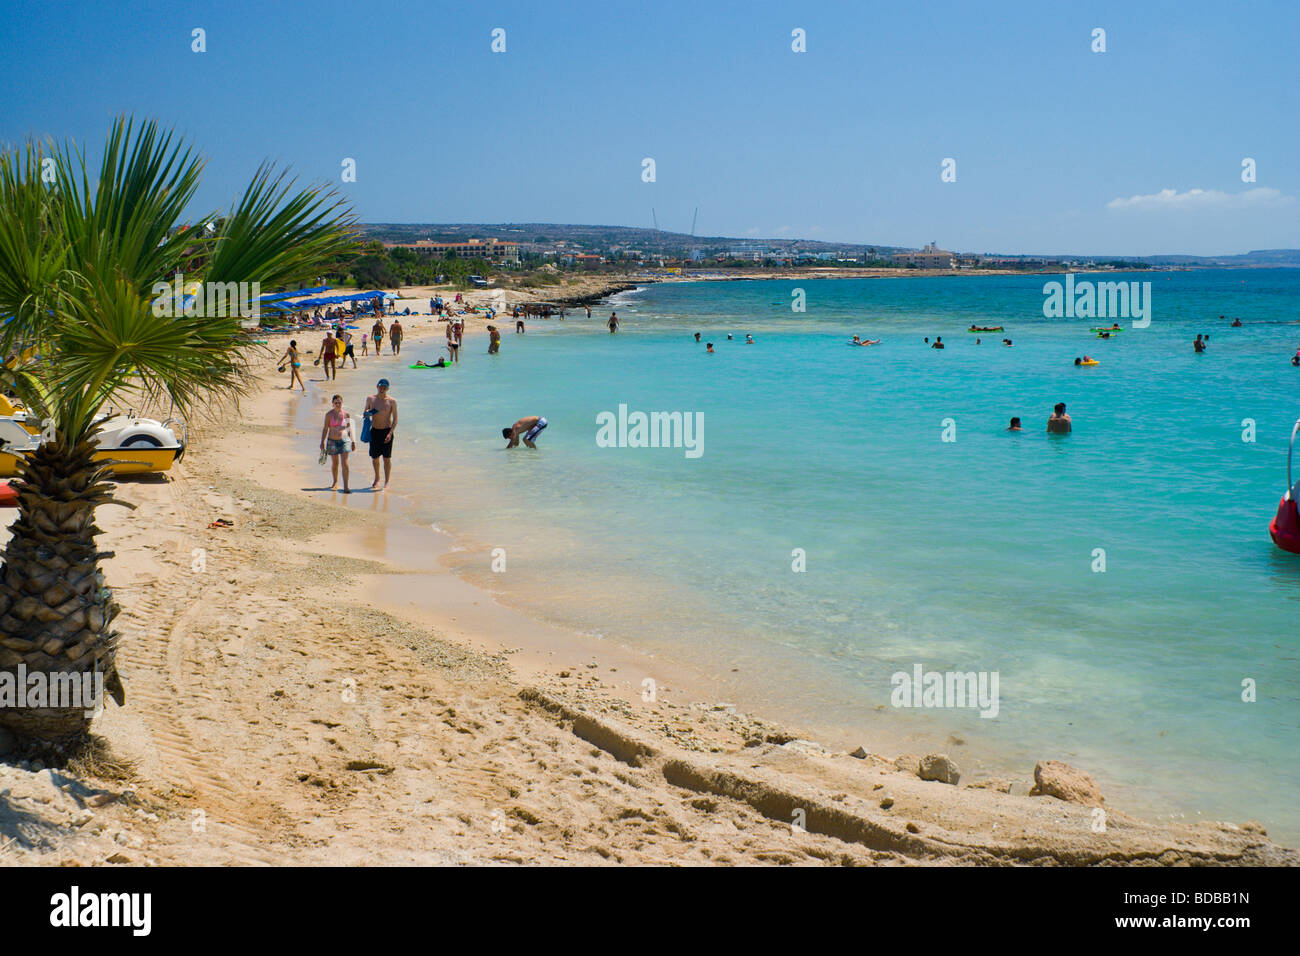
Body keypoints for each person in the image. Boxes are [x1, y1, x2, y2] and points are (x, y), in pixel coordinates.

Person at [364, 379, 397, 488]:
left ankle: (387, 481)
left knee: (386, 458)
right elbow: (364, 413)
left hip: (387, 431)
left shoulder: (392, 401)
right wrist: (368, 413)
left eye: (384, 387)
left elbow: (395, 419)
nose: (382, 389)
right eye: (380, 386)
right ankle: (377, 478)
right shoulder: (370, 399)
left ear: (387, 388)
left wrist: (390, 433)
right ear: (377, 386)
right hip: (374, 431)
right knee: (375, 458)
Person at [320, 394, 355, 492]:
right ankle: (335, 482)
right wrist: (322, 442)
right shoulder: (329, 415)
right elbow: (325, 428)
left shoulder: (346, 414)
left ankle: (346, 486)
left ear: (342, 403)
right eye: (336, 403)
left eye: (339, 402)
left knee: (345, 463)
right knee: (335, 463)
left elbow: (349, 429)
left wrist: (353, 442)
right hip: (332, 441)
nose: (338, 404)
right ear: (332, 404)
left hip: (344, 441)